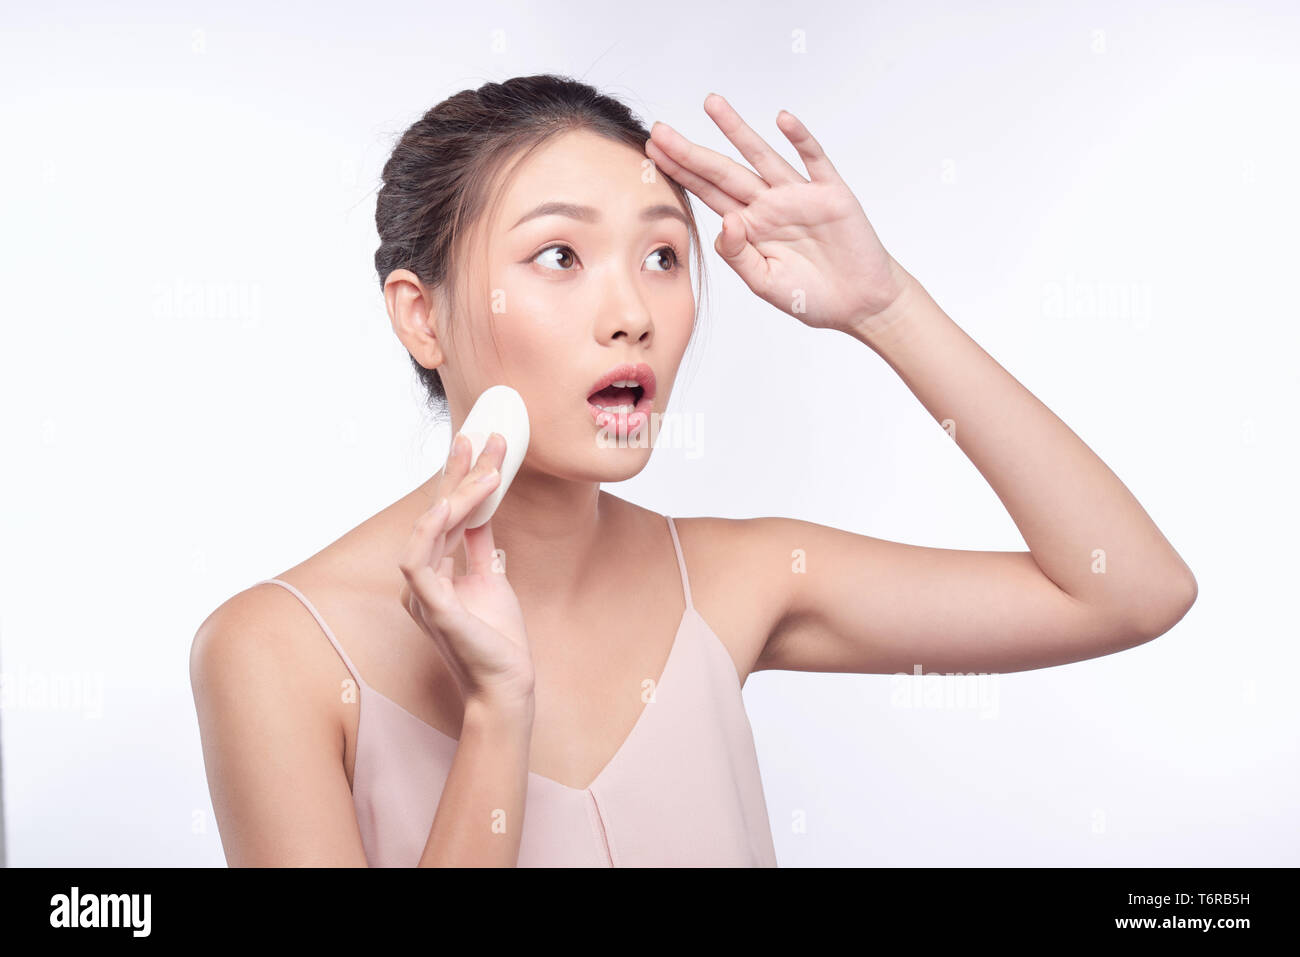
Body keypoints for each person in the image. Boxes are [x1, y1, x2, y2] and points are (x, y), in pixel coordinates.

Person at [189, 74, 1197, 867]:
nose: (631, 311)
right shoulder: (274, 650)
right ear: (421, 315)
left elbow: (1129, 593)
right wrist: (497, 712)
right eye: (558, 257)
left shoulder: (734, 579)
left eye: (664, 257)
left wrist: (884, 308)